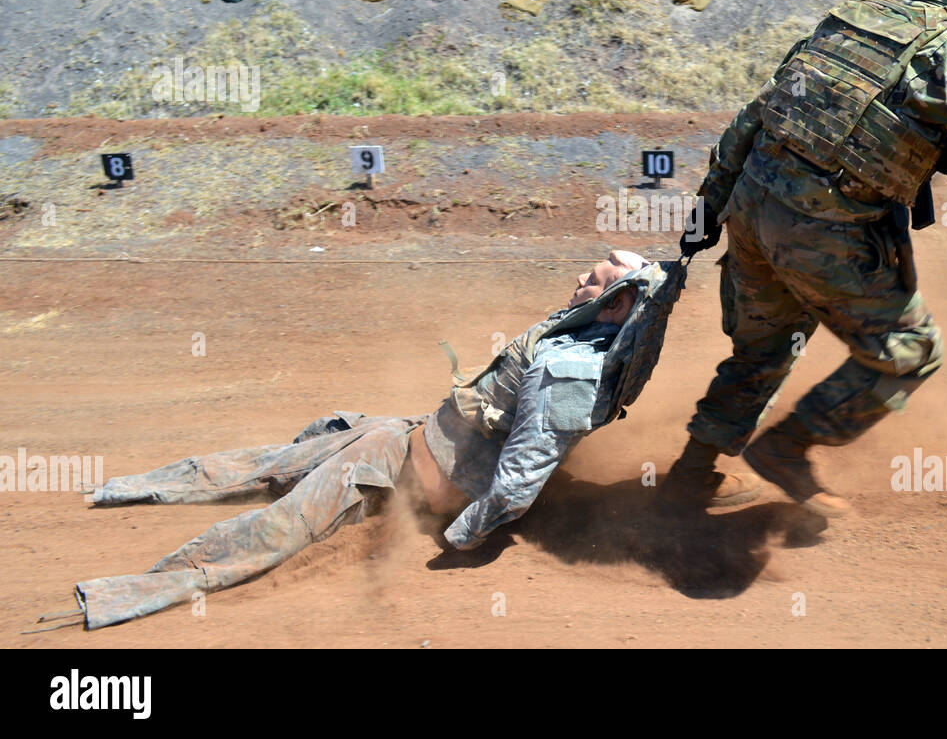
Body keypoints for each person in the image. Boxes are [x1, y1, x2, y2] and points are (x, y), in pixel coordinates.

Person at [666, 0, 947, 517]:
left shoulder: (861, 11)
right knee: (910, 351)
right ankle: (790, 447)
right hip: (827, 228)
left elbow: (760, 110)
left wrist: (705, 212)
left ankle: (690, 477)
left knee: (763, 350)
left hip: (752, 207)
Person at [73, 250, 658, 629]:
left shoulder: (569, 374)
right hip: (399, 438)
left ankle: (122, 595)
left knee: (278, 525)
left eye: (599, 271)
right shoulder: (575, 340)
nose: (582, 274)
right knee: (272, 461)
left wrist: (459, 537)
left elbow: (519, 481)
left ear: (619, 302)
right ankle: (120, 490)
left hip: (396, 473)